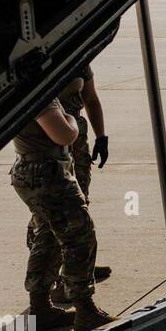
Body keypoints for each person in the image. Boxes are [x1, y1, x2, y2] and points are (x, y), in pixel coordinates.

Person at [11, 99, 115, 331]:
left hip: (36, 170)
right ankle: (85, 309)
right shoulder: (38, 93)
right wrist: (71, 121)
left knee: (47, 237)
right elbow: (64, 135)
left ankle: (40, 308)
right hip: (47, 173)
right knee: (79, 236)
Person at [52, 63, 111, 303]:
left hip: (77, 136)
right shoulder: (39, 62)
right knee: (54, 210)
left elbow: (91, 98)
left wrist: (102, 137)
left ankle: (79, 264)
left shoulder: (80, 58)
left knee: (81, 198)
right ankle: (55, 276)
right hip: (50, 139)